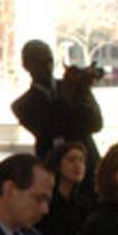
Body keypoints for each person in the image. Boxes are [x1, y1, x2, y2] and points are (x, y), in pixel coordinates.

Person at [11, 40, 103, 189]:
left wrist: (83, 90)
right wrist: (68, 93)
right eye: (40, 63)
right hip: (55, 179)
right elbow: (53, 129)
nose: (47, 67)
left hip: (89, 170)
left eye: (50, 61)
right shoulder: (22, 105)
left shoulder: (73, 86)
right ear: (26, 66)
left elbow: (96, 123)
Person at [37, 140, 95, 235]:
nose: (78, 165)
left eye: (81, 160)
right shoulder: (46, 202)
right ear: (58, 165)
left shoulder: (84, 204)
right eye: (71, 160)